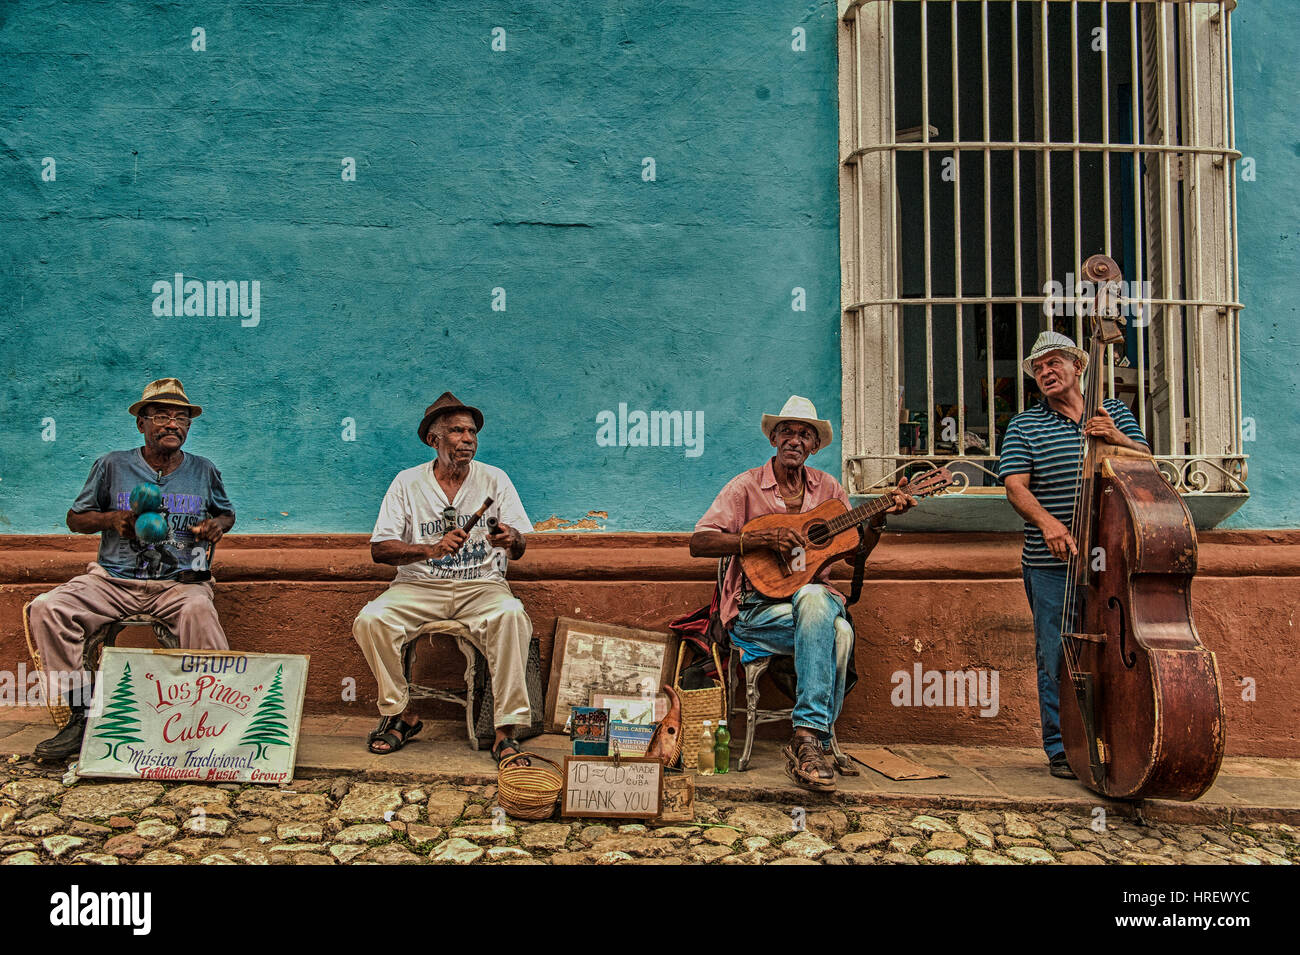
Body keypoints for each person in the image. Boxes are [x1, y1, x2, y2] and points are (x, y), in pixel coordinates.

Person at [689, 395, 915, 791]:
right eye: (788, 432)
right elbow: (700, 542)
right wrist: (761, 537)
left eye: (805, 434)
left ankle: (805, 737)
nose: (795, 440)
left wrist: (878, 519)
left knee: (816, 601)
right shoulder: (746, 487)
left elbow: (855, 550)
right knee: (838, 630)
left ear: (814, 446)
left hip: (813, 602)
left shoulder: (829, 491)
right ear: (774, 439)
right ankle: (816, 739)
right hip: (757, 612)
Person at [27, 378, 235, 760]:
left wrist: (216, 526)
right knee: (48, 607)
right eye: (161, 415)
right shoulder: (111, 465)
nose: (172, 424)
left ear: (189, 426)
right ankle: (81, 714)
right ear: (141, 423)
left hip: (179, 584)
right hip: (113, 579)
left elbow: (225, 512)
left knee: (199, 611)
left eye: (181, 417)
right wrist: (112, 519)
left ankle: (206, 715)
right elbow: (76, 519)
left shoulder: (205, 470)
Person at [998, 331, 1151, 779]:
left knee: (1118, 651)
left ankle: (1118, 737)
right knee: (1056, 654)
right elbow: (1014, 486)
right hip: (1051, 565)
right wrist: (1048, 524)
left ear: (1078, 367)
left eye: (1053, 363)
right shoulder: (1026, 425)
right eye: (1038, 368)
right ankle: (1062, 747)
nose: (1045, 372)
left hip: (1113, 563)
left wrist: (1116, 436)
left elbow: (1147, 462)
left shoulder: (1113, 411)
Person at [352, 392, 534, 763]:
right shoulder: (406, 483)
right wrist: (429, 550)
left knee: (513, 615)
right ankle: (401, 713)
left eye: (472, 432)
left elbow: (519, 547)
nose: (468, 439)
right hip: (418, 586)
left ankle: (506, 730)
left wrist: (510, 538)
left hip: (481, 586)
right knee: (371, 620)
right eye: (457, 431)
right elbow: (380, 550)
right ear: (434, 439)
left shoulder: (494, 479)